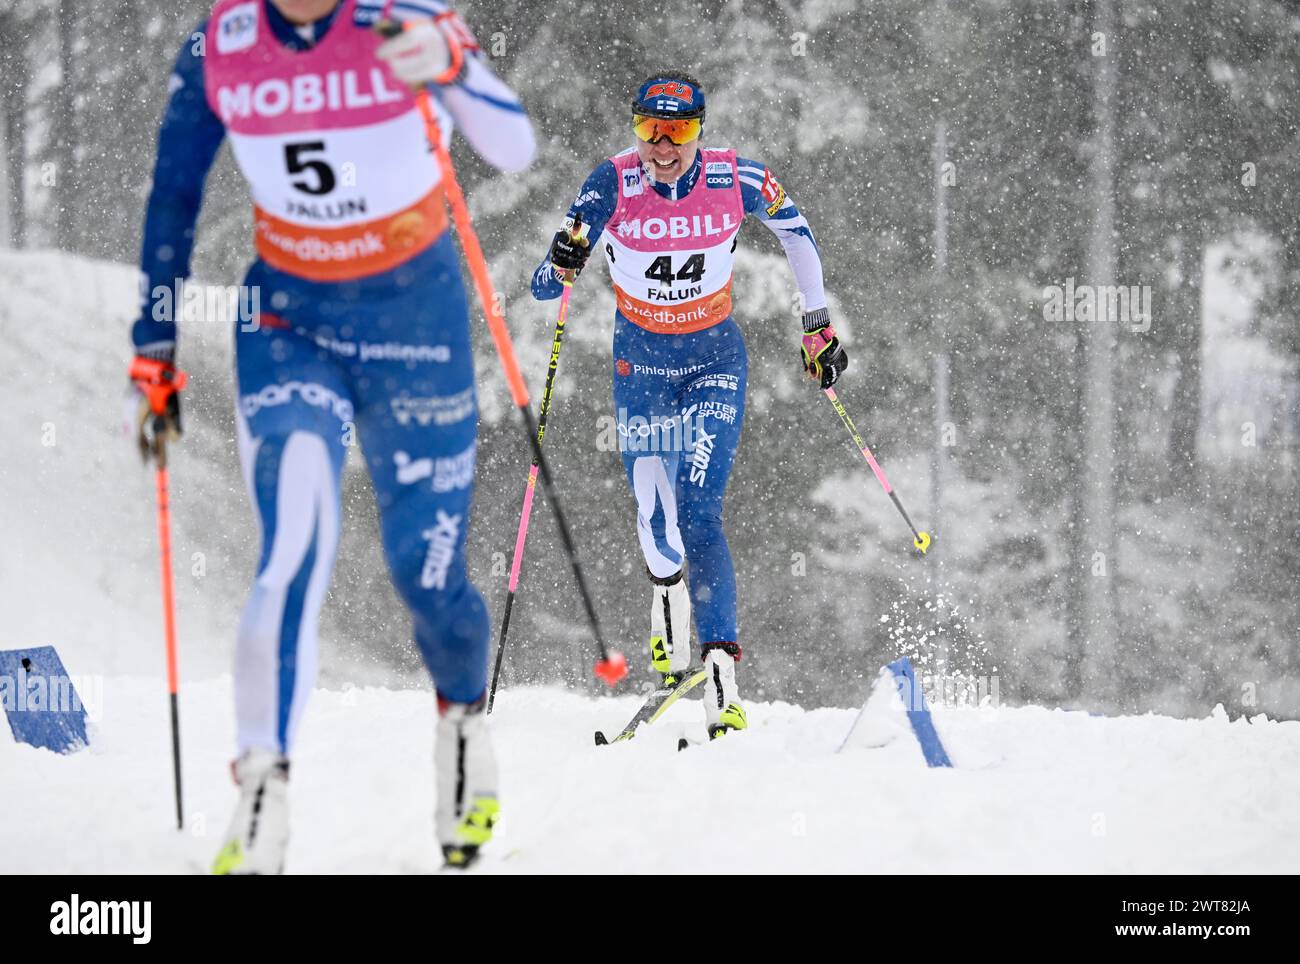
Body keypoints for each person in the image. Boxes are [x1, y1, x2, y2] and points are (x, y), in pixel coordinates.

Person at [128, 0, 534, 872]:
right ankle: (262, 787)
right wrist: (152, 345)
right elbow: (174, 194)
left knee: (427, 576)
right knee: (294, 541)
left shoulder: (403, 19)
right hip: (289, 319)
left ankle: (463, 722)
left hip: (414, 323)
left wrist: (452, 65)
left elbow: (514, 148)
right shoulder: (223, 42)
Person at [531, 74, 847, 740]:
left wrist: (816, 322)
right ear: (636, 130)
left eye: (679, 131)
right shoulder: (611, 183)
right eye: (650, 130)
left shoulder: (735, 179)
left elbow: (796, 231)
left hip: (714, 364)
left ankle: (722, 675)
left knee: (700, 509)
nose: (664, 146)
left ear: (700, 130)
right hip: (641, 370)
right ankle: (668, 610)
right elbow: (543, 285)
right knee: (657, 521)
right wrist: (559, 263)